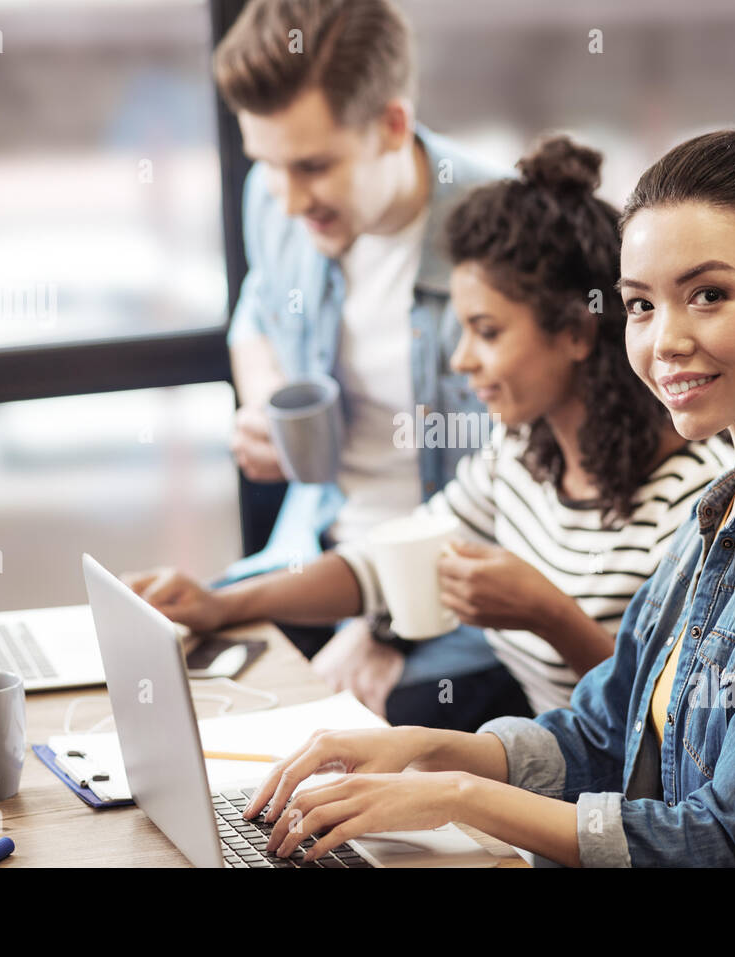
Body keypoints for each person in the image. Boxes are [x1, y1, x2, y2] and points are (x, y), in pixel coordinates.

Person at [233, 129, 735, 868]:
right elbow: (603, 729)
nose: (665, 340)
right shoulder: (724, 510)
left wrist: (458, 795)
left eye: (707, 295)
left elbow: (729, 842)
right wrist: (418, 749)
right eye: (642, 306)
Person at [126, 135, 735, 728]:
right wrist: (222, 603)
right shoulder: (522, 457)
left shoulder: (695, 499)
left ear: (576, 333)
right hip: (552, 767)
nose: (461, 360)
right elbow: (378, 565)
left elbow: (667, 723)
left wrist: (547, 615)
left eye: (487, 332)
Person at [202, 0, 513, 708]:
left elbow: (537, 488)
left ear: (393, 125)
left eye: (312, 166)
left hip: (456, 602)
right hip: (315, 552)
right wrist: (262, 400)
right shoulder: (273, 196)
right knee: (183, 660)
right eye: (268, 164)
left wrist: (386, 629)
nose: (286, 199)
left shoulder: (505, 233)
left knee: (364, 745)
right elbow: (256, 306)